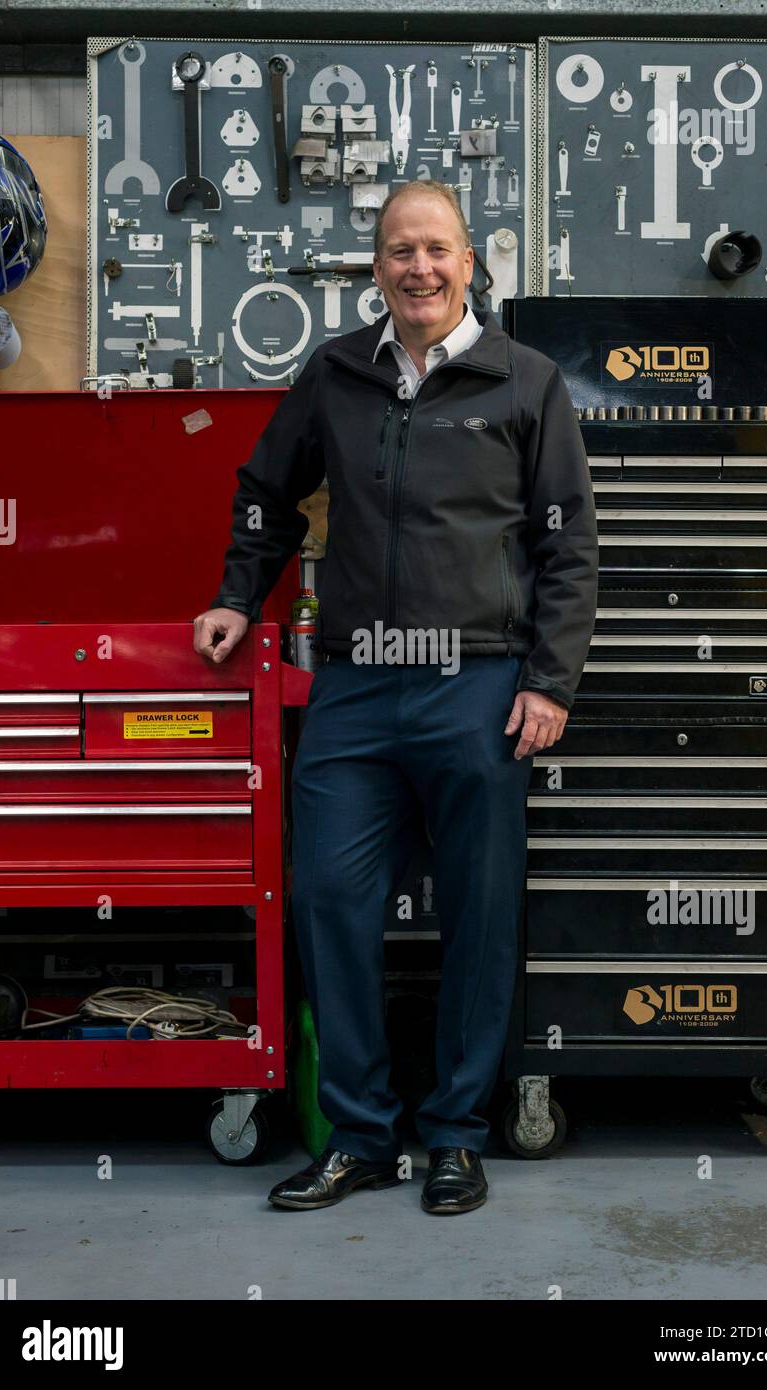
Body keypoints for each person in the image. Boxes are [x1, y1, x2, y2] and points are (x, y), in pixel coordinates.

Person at [194, 179, 598, 1215]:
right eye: (398, 251)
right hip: (358, 685)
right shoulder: (334, 372)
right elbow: (264, 492)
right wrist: (240, 595)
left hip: (480, 684)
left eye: (436, 249)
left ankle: (457, 1134)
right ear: (375, 267)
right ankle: (363, 1135)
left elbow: (570, 546)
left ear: (470, 262)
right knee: (328, 895)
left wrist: (549, 680)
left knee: (478, 911)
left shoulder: (527, 382)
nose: (418, 267)